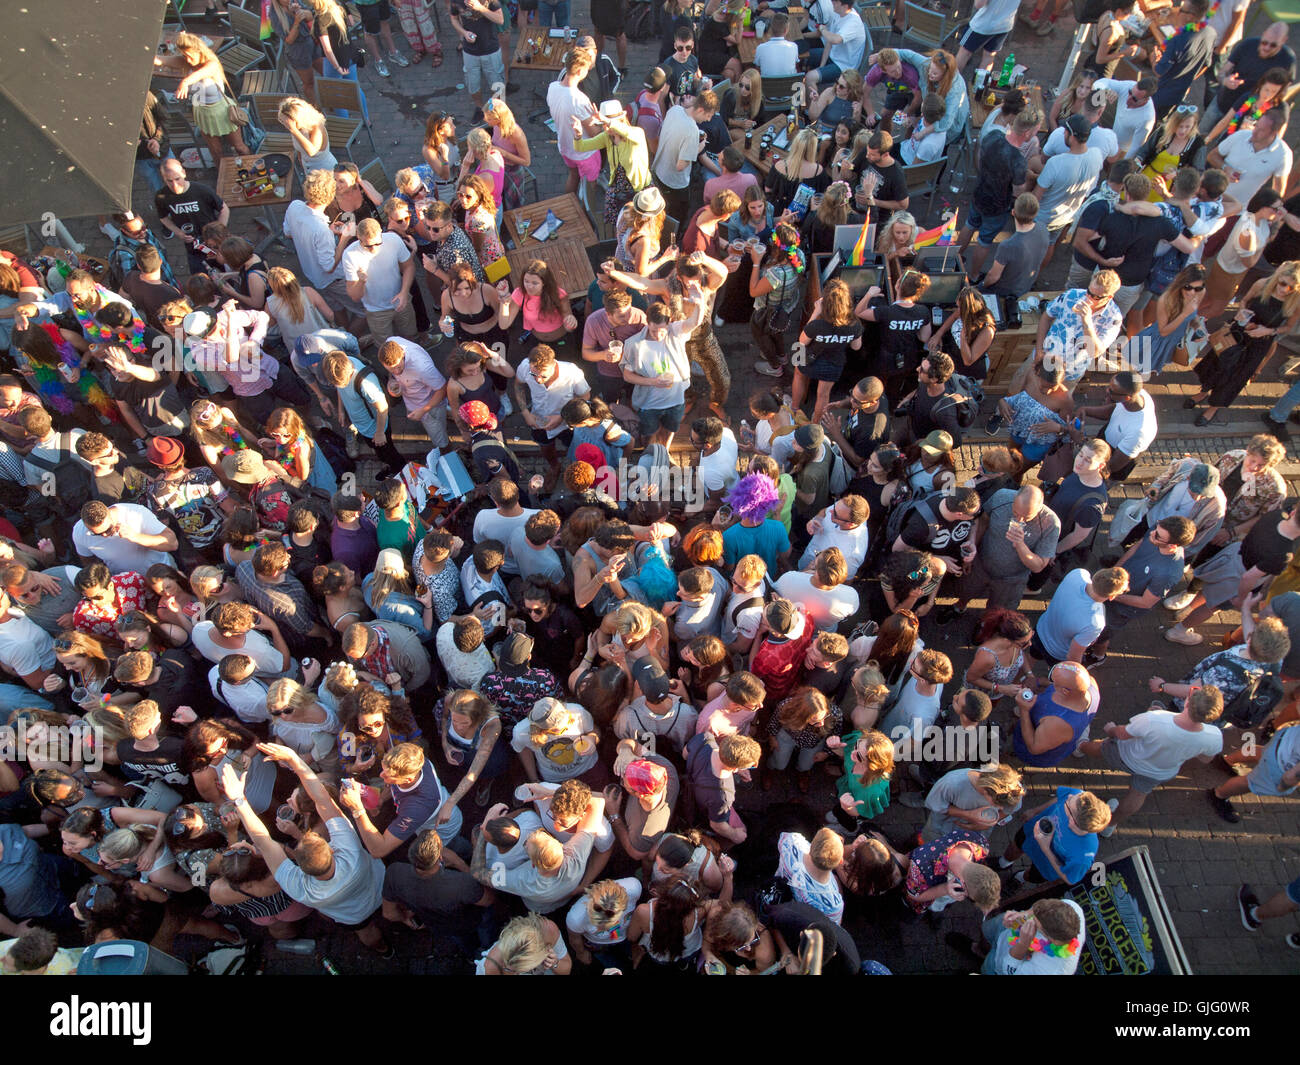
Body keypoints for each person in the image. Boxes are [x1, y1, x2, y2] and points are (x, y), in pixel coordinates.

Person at [224, 743, 390, 955]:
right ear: (331, 850)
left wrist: (239, 800)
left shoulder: (299, 888)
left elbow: (264, 842)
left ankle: (384, 950)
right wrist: (294, 759)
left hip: (356, 916)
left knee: (367, 932)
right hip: (381, 884)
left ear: (300, 867)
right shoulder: (350, 851)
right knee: (393, 904)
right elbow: (322, 800)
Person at [1081, 685, 1224, 835]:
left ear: (1187, 702)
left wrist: (1111, 729)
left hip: (1126, 756)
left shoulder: (1155, 719)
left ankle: (1080, 747)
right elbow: (1205, 759)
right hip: (1159, 772)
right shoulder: (1214, 736)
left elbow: (1122, 734)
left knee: (1102, 748)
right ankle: (1109, 825)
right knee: (1138, 795)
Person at [1190, 259, 1300, 426]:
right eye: (1283, 283)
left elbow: (1288, 327)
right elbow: (1244, 301)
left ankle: (1213, 408)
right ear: (1278, 277)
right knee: (1218, 365)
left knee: (1235, 377)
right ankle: (1203, 392)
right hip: (1238, 333)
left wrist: (1268, 331)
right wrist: (1242, 313)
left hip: (1259, 343)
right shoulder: (1262, 284)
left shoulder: (1295, 302)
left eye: (1291, 287)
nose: (1285, 289)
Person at [957, 110, 1037, 277]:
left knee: (969, 225)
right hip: (997, 205)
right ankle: (973, 276)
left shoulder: (993, 136)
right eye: (1035, 131)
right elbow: (1019, 189)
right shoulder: (1018, 160)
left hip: (979, 192)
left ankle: (953, 260)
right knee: (984, 241)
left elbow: (979, 157)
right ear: (1027, 132)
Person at [1028, 566, 1129, 668]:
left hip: (1040, 630)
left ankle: (1022, 676)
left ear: (1097, 575)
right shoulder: (1095, 622)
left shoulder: (1078, 573)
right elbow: (1073, 657)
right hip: (1056, 653)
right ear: (1112, 597)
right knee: (1055, 681)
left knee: (1030, 659)